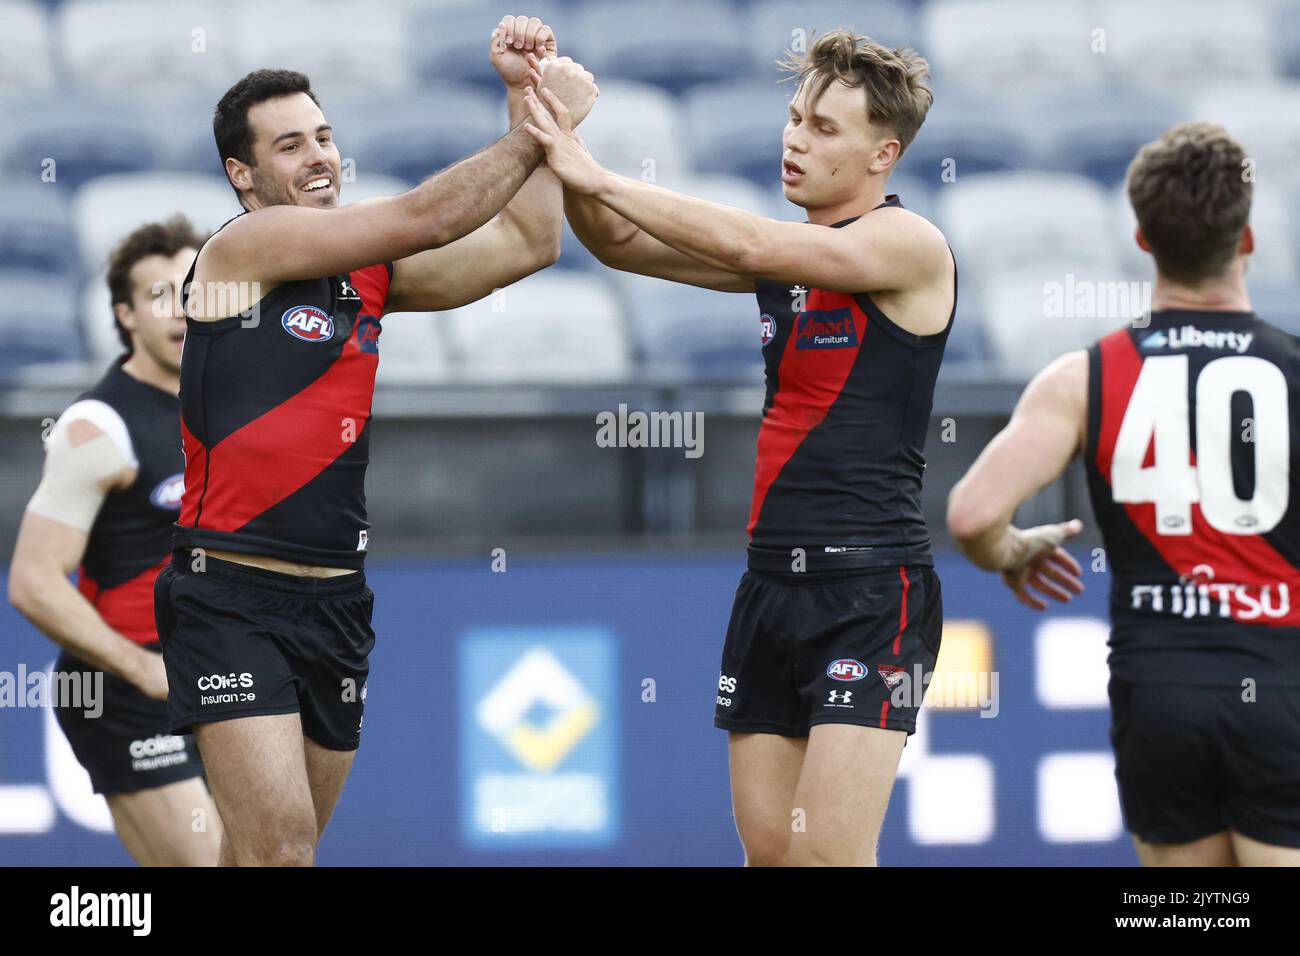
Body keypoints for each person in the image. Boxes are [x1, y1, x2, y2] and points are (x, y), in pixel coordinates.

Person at [155, 16, 597, 865]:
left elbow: (529, 242)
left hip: (338, 604)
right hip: (228, 596)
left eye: (324, 136)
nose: (319, 155)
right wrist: (547, 127)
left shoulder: (367, 273)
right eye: (290, 146)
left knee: (267, 854)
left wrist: (529, 99)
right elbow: (429, 216)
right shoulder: (243, 247)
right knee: (282, 852)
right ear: (242, 176)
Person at [523, 29, 955, 866]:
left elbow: (754, 244)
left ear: (884, 153)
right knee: (771, 857)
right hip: (770, 583)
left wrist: (595, 170)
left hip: (871, 589)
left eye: (825, 127)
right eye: (795, 118)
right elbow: (615, 244)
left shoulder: (908, 246)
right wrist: (561, 143)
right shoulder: (788, 258)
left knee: (829, 855)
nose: (795, 138)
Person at [947, 122, 1300, 867]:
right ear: (1248, 239)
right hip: (1280, 686)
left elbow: (973, 515)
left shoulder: (1084, 376)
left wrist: (1013, 550)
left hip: (1159, 692)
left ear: (1140, 239)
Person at [9, 216, 222, 865]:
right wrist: (141, 669)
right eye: (158, 295)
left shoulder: (230, 401)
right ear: (125, 315)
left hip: (223, 678)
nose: (179, 308)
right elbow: (33, 581)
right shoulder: (98, 426)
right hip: (129, 693)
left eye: (190, 289)